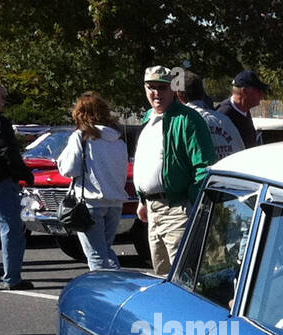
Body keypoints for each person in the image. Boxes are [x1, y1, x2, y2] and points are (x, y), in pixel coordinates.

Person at [133, 65, 216, 275]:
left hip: (178, 209)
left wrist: (193, 206)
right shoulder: (148, 119)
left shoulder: (188, 119)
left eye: (163, 87)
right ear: (145, 88)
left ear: (173, 89)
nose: (156, 93)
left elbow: (203, 167)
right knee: (161, 277)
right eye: (151, 87)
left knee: (183, 278)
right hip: (152, 211)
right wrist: (142, 201)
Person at [56, 92, 129, 271]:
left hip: (91, 202)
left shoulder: (81, 137)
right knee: (105, 251)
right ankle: (116, 284)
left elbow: (68, 169)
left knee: (96, 255)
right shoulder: (118, 140)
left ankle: (105, 292)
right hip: (115, 203)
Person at [0, 80, 35, 290]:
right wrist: (24, 174)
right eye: (2, 97)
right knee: (10, 228)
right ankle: (12, 278)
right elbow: (8, 153)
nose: (4, 102)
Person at [174, 70, 243, 161]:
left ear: (180, 96)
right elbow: (242, 153)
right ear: (203, 94)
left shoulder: (180, 123)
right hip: (229, 173)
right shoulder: (225, 120)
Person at [217, 70, 270, 149]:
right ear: (245, 91)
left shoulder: (244, 111)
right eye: (258, 91)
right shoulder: (223, 116)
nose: (262, 95)